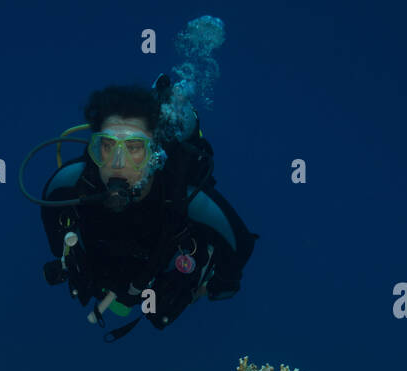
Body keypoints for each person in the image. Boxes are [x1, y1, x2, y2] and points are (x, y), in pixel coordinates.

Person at [28, 77, 257, 340]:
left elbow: (240, 243)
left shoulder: (182, 195)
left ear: (154, 154)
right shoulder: (70, 183)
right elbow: (54, 233)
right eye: (107, 145)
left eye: (134, 148)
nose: (117, 163)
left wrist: (215, 287)